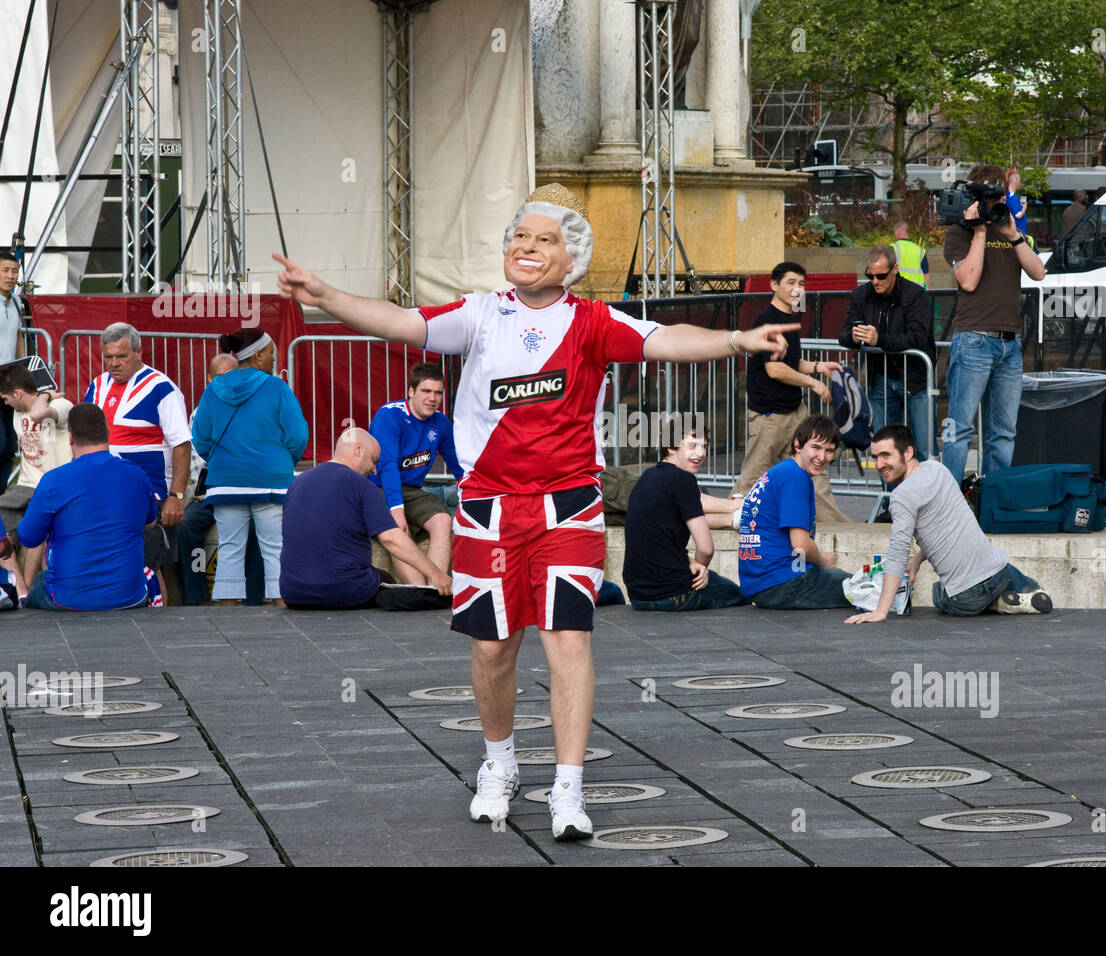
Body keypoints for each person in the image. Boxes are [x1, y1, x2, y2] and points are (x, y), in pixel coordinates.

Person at [274, 183, 795, 841]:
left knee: (568, 642)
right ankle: (500, 765)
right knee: (493, 648)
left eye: (543, 239)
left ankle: (568, 790)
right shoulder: (480, 314)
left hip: (569, 509)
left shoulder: (595, 322)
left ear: (570, 257)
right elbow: (401, 321)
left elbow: (667, 339)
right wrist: (327, 297)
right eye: (519, 236)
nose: (525, 247)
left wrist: (736, 342)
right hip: (488, 511)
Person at [846, 424, 1052, 624]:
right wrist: (917, 561)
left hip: (966, 595)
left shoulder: (901, 496)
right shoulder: (938, 469)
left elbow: (898, 553)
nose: (879, 464)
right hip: (998, 572)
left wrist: (880, 611)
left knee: (939, 594)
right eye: (875, 457)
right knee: (1032, 589)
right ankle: (1016, 596)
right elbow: (946, 525)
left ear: (907, 452)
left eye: (885, 455)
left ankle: (997, 604)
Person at [941, 162, 1046, 486]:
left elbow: (1039, 272)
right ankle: (949, 502)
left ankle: (995, 501)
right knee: (960, 428)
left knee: (1004, 431)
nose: (992, 203)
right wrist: (980, 231)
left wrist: (1013, 234)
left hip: (1009, 343)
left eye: (997, 192)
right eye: (987, 192)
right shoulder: (959, 232)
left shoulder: (1009, 230)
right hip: (974, 339)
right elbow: (968, 280)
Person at [191, 330, 308, 606]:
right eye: (271, 354)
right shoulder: (277, 387)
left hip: (225, 481)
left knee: (229, 548)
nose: (273, 360)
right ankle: (282, 612)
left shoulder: (213, 389)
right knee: (275, 548)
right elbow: (298, 436)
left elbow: (200, 437)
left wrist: (224, 460)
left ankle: (228, 617)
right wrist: (281, 461)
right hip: (270, 480)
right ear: (257, 355)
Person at [730, 261, 851, 523]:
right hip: (769, 415)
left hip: (795, 412)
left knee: (815, 470)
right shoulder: (767, 320)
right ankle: (729, 524)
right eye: (791, 283)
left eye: (801, 284)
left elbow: (789, 363)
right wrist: (812, 383)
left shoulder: (790, 317)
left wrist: (818, 367)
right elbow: (774, 369)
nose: (797, 289)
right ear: (774, 285)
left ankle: (838, 529)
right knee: (753, 479)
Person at [280, 428, 451, 610]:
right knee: (385, 581)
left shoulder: (297, 483)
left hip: (293, 592)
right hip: (345, 591)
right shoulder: (360, 484)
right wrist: (435, 574)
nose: (375, 470)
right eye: (374, 460)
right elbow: (391, 538)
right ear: (358, 450)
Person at [17, 403, 161, 610]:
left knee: (38, 583)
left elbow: (28, 538)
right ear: (107, 432)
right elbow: (150, 523)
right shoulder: (137, 474)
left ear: (70, 438)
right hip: (128, 597)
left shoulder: (53, 481)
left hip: (67, 598)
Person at [84, 322, 192, 596]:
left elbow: (181, 443)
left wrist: (176, 497)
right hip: (102, 495)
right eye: (108, 357)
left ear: (139, 352)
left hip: (149, 496)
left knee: (150, 564)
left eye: (121, 356)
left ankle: (163, 623)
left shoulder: (161, 388)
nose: (114, 363)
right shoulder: (97, 386)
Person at [176, 353, 265, 606]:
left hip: (248, 493)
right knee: (184, 528)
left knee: (258, 527)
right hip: (211, 494)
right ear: (208, 379)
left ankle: (252, 599)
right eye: (218, 378)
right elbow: (199, 466)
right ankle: (197, 598)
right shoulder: (199, 414)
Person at [737, 415, 852, 608]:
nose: (822, 457)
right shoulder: (794, 477)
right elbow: (801, 546)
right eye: (816, 447)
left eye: (829, 450)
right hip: (783, 583)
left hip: (760, 583)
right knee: (867, 588)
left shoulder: (782, 471)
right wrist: (823, 559)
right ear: (798, 444)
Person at [624, 427, 743, 611]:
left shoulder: (648, 477)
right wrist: (700, 566)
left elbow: (663, 533)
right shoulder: (682, 479)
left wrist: (731, 515)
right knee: (743, 597)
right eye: (692, 446)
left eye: (704, 446)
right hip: (675, 592)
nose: (701, 453)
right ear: (670, 447)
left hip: (638, 595)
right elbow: (706, 548)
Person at [840, 244, 936, 462]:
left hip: (915, 380)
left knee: (924, 448)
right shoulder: (861, 294)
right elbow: (843, 333)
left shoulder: (916, 295)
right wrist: (854, 337)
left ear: (895, 269)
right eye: (870, 275)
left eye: (881, 276)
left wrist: (879, 339)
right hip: (881, 379)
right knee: (884, 450)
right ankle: (889, 496)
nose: (875, 281)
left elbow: (918, 338)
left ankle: (928, 496)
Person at [369, 363, 462, 583]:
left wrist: (473, 489)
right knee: (399, 527)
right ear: (411, 391)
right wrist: (396, 509)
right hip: (379, 487)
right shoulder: (390, 415)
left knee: (442, 519)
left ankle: (435, 587)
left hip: (412, 490)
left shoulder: (440, 422)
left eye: (438, 393)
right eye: (426, 391)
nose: (433, 398)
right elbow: (388, 465)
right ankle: (417, 589)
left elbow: (458, 464)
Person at [0, 364, 73, 593]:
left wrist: (44, 394)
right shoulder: (17, 412)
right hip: (25, 486)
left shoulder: (60, 404)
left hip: (54, 486)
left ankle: (28, 590)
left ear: (18, 394)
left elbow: (39, 414)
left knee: (36, 521)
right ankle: (17, 591)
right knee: (2, 528)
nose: (5, 403)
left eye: (6, 398)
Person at [0, 252, 26, 480]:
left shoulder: (16, 301)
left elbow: (18, 337)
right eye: (5, 271)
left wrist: (23, 369)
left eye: (14, 271)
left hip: (10, 381)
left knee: (10, 443)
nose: (10, 276)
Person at [890, 221, 929, 289]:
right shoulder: (920, 251)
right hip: (917, 291)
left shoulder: (892, 248)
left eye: (894, 232)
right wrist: (928, 294)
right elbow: (926, 275)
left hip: (899, 290)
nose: (894, 235)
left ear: (898, 232)